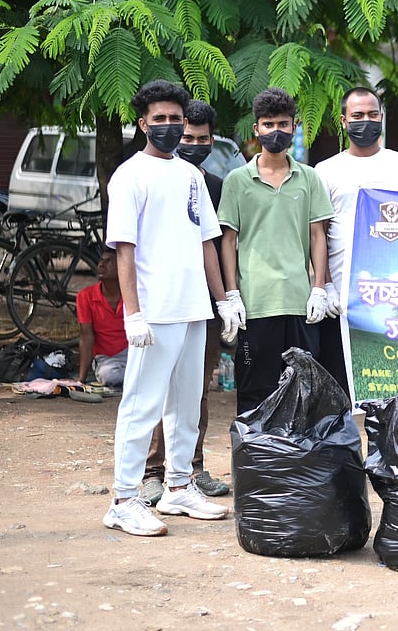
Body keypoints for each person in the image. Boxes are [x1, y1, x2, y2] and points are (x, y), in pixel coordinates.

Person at [102, 80, 238, 537]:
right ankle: (124, 499)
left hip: (193, 307)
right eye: (158, 119)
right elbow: (125, 249)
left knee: (184, 403)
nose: (167, 126)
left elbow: (207, 244)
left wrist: (224, 300)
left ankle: (179, 486)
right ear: (142, 124)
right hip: (154, 310)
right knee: (142, 404)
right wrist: (133, 313)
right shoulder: (130, 175)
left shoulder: (192, 176)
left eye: (174, 118)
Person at [218, 87, 333, 414]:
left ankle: (296, 462)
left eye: (283, 124)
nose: (276, 132)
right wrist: (232, 294)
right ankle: (255, 462)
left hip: (300, 302)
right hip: (255, 305)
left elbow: (317, 235)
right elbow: (228, 239)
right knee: (255, 390)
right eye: (268, 125)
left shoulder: (309, 178)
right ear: (256, 129)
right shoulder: (237, 180)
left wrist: (319, 289)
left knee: (303, 390)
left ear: (294, 127)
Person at [140, 100, 230, 505]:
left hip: (202, 303)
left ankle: (191, 469)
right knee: (157, 389)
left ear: (212, 140)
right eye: (187, 136)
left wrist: (225, 299)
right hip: (161, 301)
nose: (192, 143)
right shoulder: (148, 177)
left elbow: (215, 245)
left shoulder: (212, 185)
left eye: (201, 138)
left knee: (197, 390)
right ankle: (151, 473)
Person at [313, 86, 398, 396]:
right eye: (358, 115)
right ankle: (343, 446)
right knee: (339, 388)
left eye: (372, 115)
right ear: (344, 121)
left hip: (394, 297)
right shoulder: (326, 171)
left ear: (382, 118)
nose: (366, 121)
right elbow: (316, 233)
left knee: (392, 389)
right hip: (342, 300)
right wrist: (325, 286)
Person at [75, 249, 126, 388]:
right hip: (108, 358)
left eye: (109, 261)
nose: (101, 265)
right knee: (109, 376)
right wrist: (81, 378)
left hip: (135, 354)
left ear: (123, 266)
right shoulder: (85, 296)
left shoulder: (133, 293)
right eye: (101, 260)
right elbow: (86, 337)